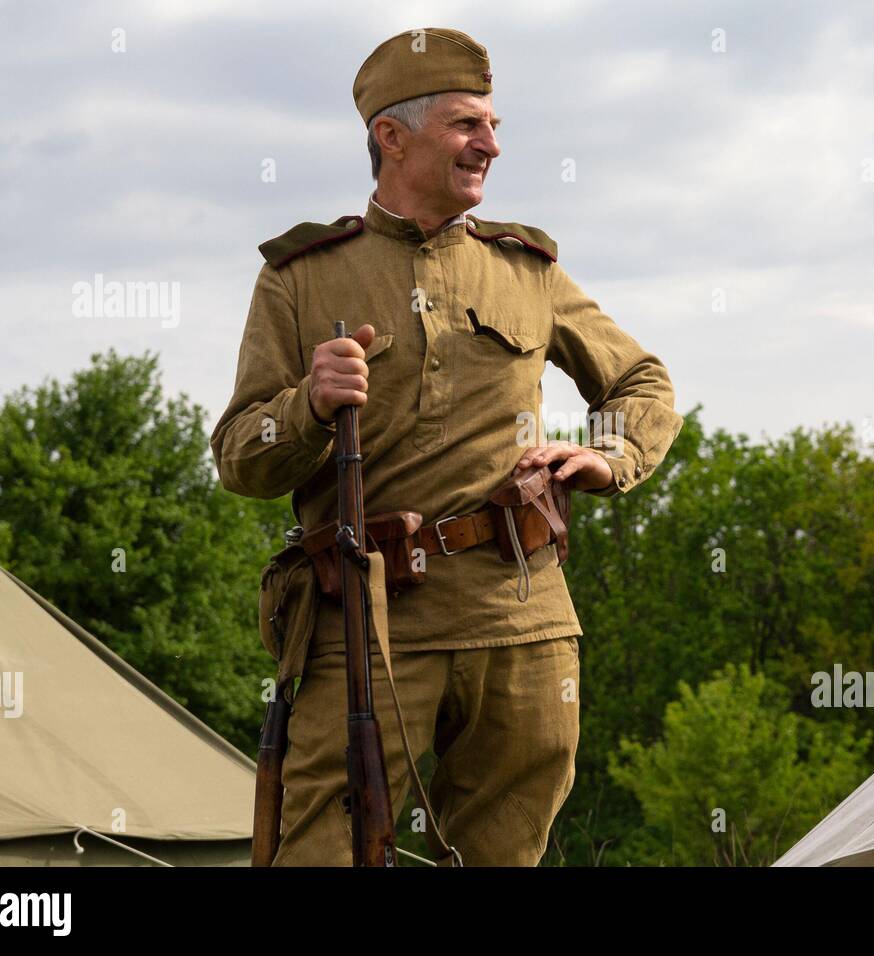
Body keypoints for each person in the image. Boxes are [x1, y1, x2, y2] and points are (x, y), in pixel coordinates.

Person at [211, 27, 683, 866]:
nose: (491, 145)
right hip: (366, 621)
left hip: (522, 614)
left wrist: (609, 456)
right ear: (392, 137)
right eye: (469, 125)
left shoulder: (527, 269)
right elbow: (241, 456)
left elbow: (640, 381)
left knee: (509, 852)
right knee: (322, 850)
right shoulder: (300, 277)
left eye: (493, 126)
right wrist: (309, 405)